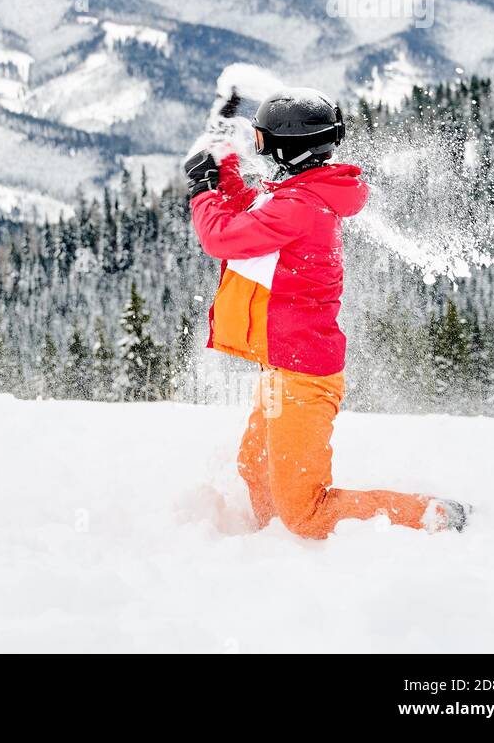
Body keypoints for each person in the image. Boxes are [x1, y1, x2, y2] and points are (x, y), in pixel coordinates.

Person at [184, 87, 466, 538]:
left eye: (260, 141)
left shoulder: (299, 207)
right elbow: (245, 211)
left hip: (303, 375)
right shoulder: (296, 195)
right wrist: (223, 172)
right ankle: (278, 548)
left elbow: (222, 237)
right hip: (282, 369)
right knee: (255, 469)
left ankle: (435, 515)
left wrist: (202, 190)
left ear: (284, 148)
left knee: (306, 513)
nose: (256, 148)